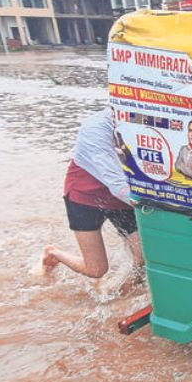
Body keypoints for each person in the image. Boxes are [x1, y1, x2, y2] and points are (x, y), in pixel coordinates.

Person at [42, 109, 144, 280]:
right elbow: (117, 184)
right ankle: (53, 253)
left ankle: (126, 295)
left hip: (122, 198)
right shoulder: (96, 127)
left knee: (142, 258)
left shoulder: (145, 120)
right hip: (85, 195)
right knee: (96, 270)